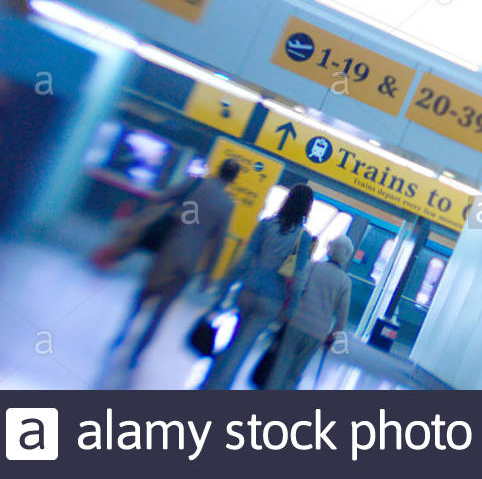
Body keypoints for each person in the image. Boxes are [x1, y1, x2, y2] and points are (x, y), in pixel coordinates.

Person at [110, 157, 239, 368]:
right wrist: (209, 274)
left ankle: (123, 333)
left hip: (170, 249)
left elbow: (163, 196)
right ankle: (138, 353)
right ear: (233, 179)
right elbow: (218, 242)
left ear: (218, 169)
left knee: (145, 295)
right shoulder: (227, 204)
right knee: (162, 310)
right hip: (189, 262)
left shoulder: (196, 183)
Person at [198, 183, 313, 389]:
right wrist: (291, 309)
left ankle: (209, 382)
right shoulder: (302, 238)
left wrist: (226, 286)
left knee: (234, 340)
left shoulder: (266, 224)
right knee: (243, 346)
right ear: (307, 208)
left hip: (248, 290)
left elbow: (246, 258)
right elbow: (298, 277)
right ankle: (218, 387)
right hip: (272, 299)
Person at [266, 233, 354, 389]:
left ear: (330, 249)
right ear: (346, 256)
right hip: (318, 332)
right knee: (296, 372)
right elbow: (342, 316)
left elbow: (297, 289)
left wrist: (286, 312)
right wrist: (333, 335)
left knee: (280, 366)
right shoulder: (345, 282)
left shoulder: (311, 266)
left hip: (296, 322)